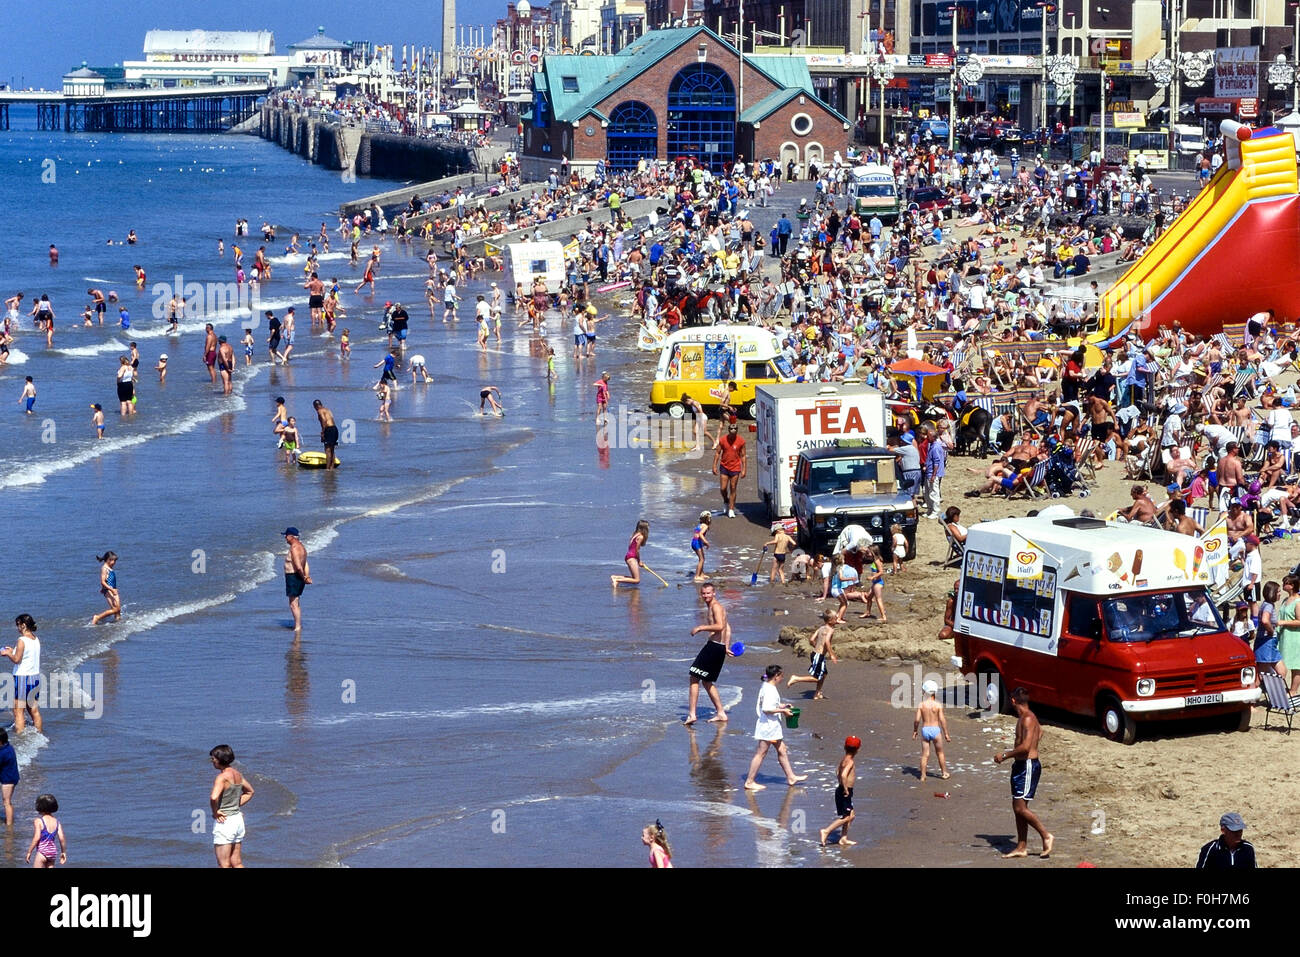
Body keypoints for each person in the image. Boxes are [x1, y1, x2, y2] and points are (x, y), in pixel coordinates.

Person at [994, 687, 1053, 858]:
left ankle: (1046, 836)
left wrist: (1004, 755)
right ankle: (1021, 846)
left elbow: (1026, 747)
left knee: (1020, 808)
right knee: (1018, 808)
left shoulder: (1027, 718)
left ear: (1013, 701)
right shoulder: (1026, 717)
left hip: (1027, 766)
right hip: (1021, 766)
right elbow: (1040, 732)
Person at [742, 664, 808, 790]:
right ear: (776, 676)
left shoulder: (766, 686)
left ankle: (791, 777)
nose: (782, 678)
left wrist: (783, 706)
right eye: (781, 676)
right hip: (768, 727)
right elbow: (766, 709)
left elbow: (771, 705)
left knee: (782, 750)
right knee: (761, 753)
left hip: (771, 726)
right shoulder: (770, 690)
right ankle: (749, 781)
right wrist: (783, 712)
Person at [685, 583, 735, 725]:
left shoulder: (716, 606)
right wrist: (725, 646)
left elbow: (720, 626)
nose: (706, 596)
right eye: (703, 593)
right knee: (706, 681)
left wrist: (701, 627)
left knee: (694, 676)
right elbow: (727, 627)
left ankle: (692, 714)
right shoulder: (713, 606)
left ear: (714, 593)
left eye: (708, 593)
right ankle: (720, 713)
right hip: (717, 647)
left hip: (713, 647)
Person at [209, 744, 254, 868]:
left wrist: (216, 812)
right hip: (238, 820)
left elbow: (213, 797)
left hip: (226, 822)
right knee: (237, 862)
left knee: (224, 864)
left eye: (213, 759)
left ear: (219, 759)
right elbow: (250, 792)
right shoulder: (237, 774)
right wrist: (235, 805)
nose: (212, 761)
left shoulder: (222, 777)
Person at [1, 615, 41, 734]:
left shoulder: (21, 640)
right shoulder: (35, 639)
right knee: (33, 710)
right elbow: (27, 655)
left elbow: (17, 659)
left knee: (18, 711)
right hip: (35, 677)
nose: (17, 628)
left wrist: (7, 653)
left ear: (23, 625)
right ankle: (39, 734)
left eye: (18, 625)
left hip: (23, 677)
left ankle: (20, 739)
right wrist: (12, 650)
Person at [818, 735, 859, 847]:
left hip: (841, 789)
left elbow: (837, 771)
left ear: (845, 747)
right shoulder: (850, 762)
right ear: (857, 750)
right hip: (845, 791)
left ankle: (843, 838)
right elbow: (844, 775)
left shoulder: (843, 759)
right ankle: (826, 831)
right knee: (846, 817)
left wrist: (840, 784)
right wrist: (845, 788)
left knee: (852, 815)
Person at [787, 609, 837, 698]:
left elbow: (811, 639)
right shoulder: (831, 630)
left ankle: (817, 693)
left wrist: (817, 646)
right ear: (830, 620)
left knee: (824, 674)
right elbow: (827, 642)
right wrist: (832, 654)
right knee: (817, 677)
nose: (837, 620)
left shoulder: (820, 628)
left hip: (814, 654)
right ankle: (796, 678)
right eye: (835, 618)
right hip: (819, 656)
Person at [913, 679, 951, 781]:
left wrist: (915, 731)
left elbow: (917, 720)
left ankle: (923, 775)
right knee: (940, 753)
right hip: (935, 730)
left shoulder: (921, 705)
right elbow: (942, 720)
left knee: (925, 754)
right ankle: (944, 773)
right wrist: (946, 734)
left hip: (925, 730)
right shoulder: (938, 705)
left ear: (924, 691)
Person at [713, 422, 746, 518]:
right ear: (728, 431)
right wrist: (714, 465)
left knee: (733, 487)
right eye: (731, 431)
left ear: (737, 431)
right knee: (723, 488)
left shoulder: (741, 441)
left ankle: (731, 509)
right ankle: (726, 501)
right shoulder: (723, 440)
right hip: (724, 466)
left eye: (735, 430)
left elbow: (743, 456)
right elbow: (718, 453)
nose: (733, 432)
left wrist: (744, 469)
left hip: (735, 467)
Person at [282, 527, 312, 631]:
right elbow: (306, 563)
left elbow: (299, 565)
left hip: (293, 576)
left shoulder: (294, 548)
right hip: (297, 577)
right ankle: (297, 625)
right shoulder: (302, 547)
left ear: (291, 537)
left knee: (293, 603)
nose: (285, 538)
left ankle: (297, 626)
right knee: (296, 602)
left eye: (286, 536)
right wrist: (306, 576)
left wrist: (303, 577)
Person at [25, 794, 65, 868]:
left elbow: (36, 838)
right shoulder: (57, 822)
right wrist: (63, 852)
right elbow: (62, 838)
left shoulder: (39, 821)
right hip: (52, 852)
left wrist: (29, 851)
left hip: (42, 852)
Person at [612, 519, 649, 586]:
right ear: (645, 528)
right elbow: (637, 550)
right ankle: (617, 579)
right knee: (637, 580)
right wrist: (639, 561)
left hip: (628, 556)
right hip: (632, 557)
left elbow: (631, 547)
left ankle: (615, 577)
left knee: (634, 578)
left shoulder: (634, 535)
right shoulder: (641, 537)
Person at [90, 551, 121, 625]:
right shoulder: (104, 568)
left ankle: (118, 623)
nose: (113, 562)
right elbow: (103, 581)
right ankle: (97, 617)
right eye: (111, 560)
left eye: (115, 560)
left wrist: (114, 589)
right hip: (108, 590)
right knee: (115, 609)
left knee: (118, 610)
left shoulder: (110, 567)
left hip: (113, 589)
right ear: (107, 559)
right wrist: (110, 589)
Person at [313, 400, 338, 470]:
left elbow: (324, 420)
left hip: (329, 429)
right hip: (334, 428)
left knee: (327, 450)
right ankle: (332, 468)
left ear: (315, 406)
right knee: (332, 449)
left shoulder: (320, 410)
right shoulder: (327, 410)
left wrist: (323, 432)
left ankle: (327, 469)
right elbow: (331, 419)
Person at [0, 729, 17, 826]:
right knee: (7, 801)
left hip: (8, 779)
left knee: (6, 802)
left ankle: (9, 825)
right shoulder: (9, 747)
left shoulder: (3, 753)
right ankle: (9, 820)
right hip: (12, 776)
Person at [691, 511, 711, 582]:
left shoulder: (700, 525)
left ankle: (701, 573)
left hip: (694, 542)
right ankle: (697, 576)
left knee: (702, 558)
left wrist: (703, 543)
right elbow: (700, 534)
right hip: (697, 543)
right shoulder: (705, 526)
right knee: (701, 559)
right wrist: (706, 542)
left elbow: (696, 534)